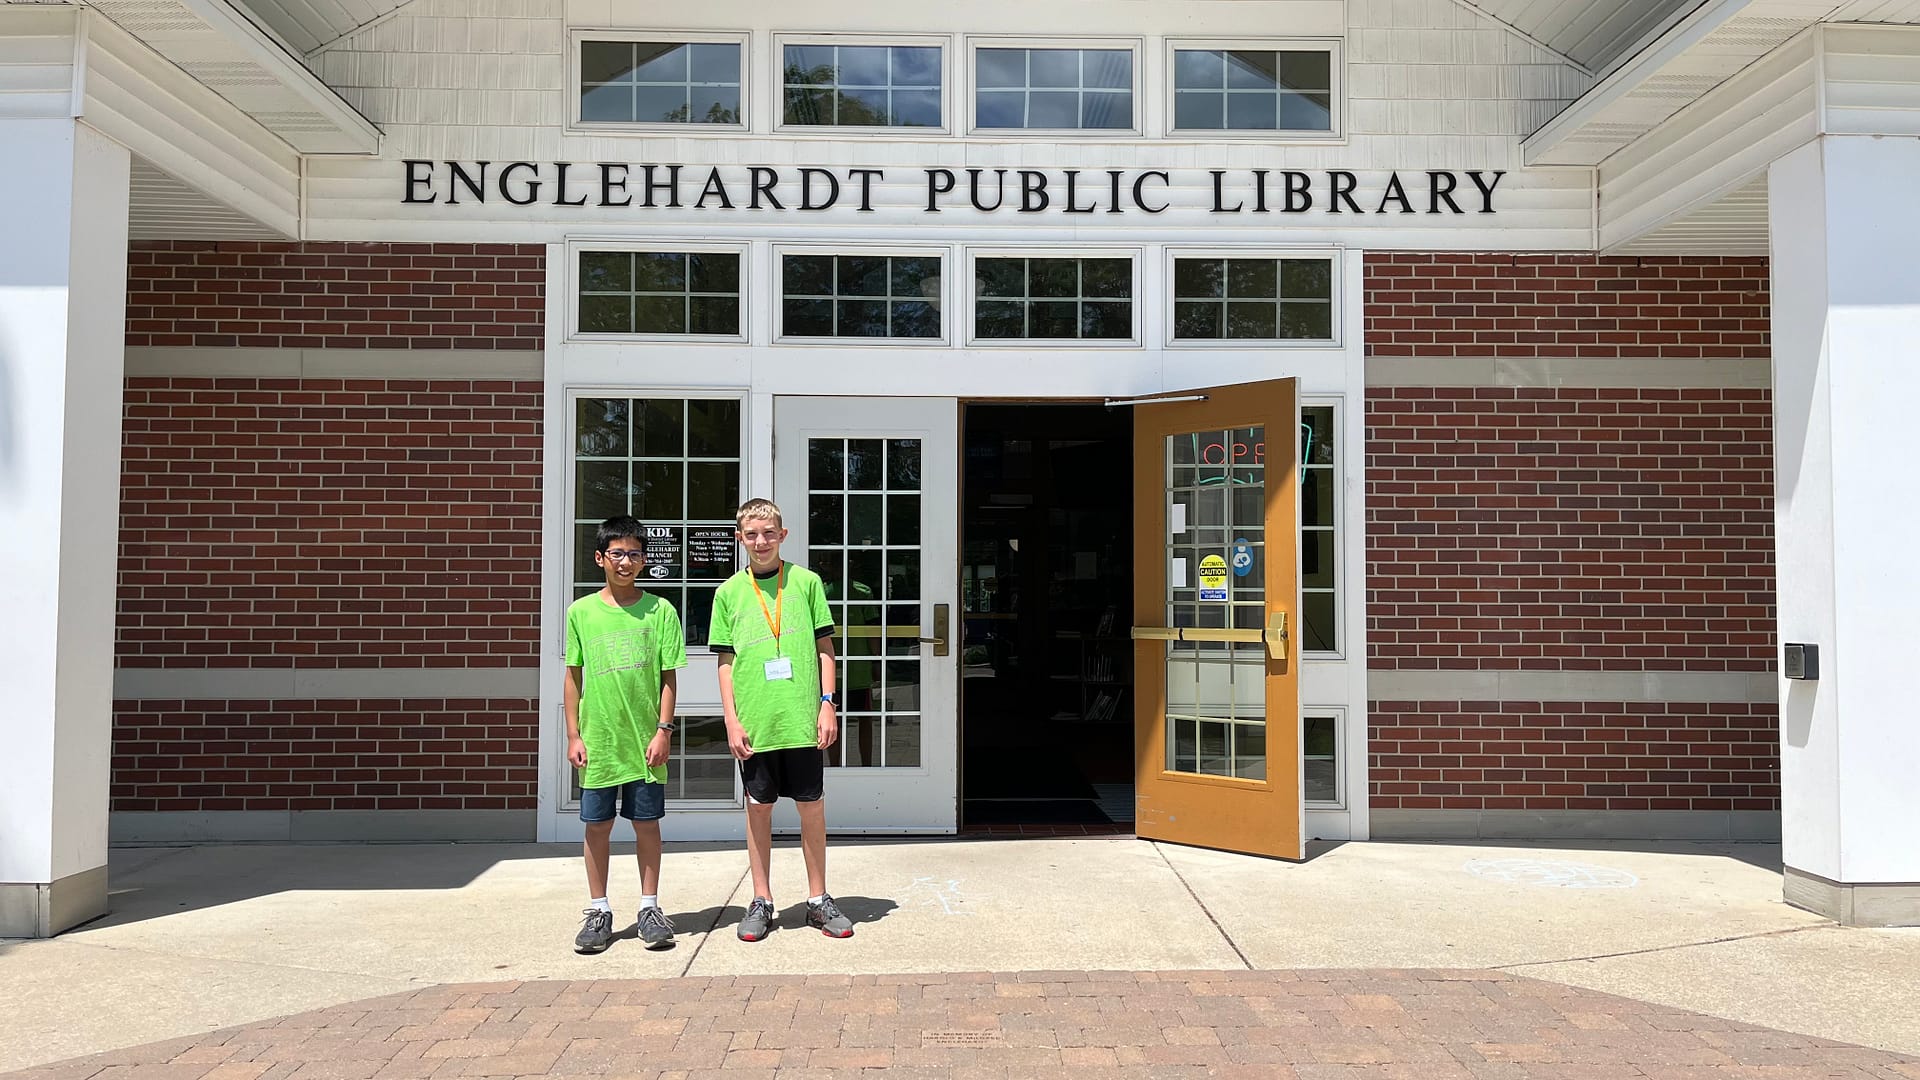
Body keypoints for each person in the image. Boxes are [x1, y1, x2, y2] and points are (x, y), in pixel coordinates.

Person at [709, 498, 854, 940]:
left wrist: (827, 703)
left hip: (801, 718)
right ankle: (761, 899)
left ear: (783, 535)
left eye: (769, 533)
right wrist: (731, 720)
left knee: (812, 807)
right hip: (756, 721)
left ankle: (818, 898)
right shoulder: (728, 592)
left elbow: (825, 649)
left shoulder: (806, 583)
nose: (761, 541)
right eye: (752, 534)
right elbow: (725, 662)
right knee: (759, 809)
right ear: (740, 538)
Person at [564, 515, 687, 954]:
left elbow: (669, 677)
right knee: (597, 826)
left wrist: (664, 730)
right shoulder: (581, 612)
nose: (625, 562)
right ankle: (598, 910)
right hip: (600, 742)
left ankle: (649, 908)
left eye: (634, 553)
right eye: (617, 553)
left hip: (644, 743)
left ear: (644, 560)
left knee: (647, 824)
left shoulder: (661, 611)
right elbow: (573, 676)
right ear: (600, 558)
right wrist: (574, 735)